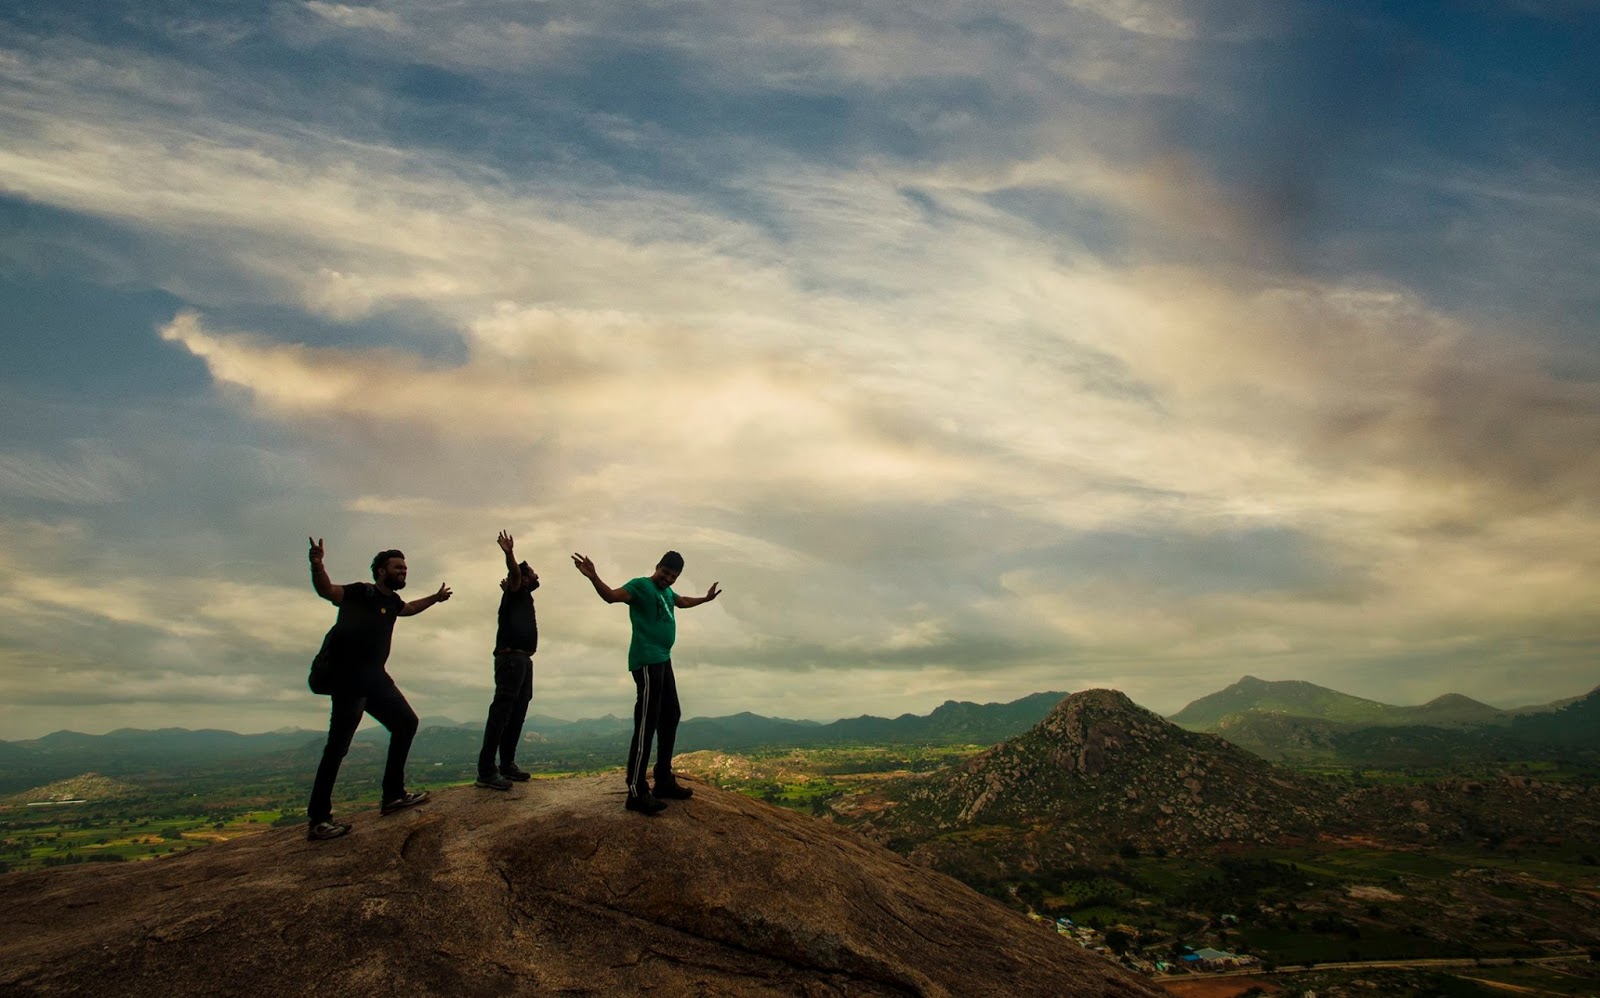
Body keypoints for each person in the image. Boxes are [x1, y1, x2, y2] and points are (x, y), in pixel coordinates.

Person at [305, 538, 452, 841]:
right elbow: (327, 591)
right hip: (349, 679)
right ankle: (319, 819)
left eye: (405, 568)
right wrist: (318, 565)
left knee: (406, 723)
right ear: (381, 571)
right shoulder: (361, 593)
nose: (404, 572)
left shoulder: (392, 602)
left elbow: (409, 608)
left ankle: (393, 795)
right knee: (337, 748)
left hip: (375, 678)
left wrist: (435, 599)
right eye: (398, 567)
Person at [571, 550, 720, 815]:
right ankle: (636, 790)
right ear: (657, 566)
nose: (668, 580)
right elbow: (612, 597)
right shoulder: (640, 586)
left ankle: (663, 779)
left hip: (664, 659)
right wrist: (594, 577)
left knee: (671, 714)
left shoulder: (666, 593)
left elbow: (681, 601)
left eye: (673, 577)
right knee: (647, 723)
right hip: (647, 662)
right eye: (666, 573)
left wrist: (706, 599)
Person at [476, 530, 539, 791]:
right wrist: (510, 553)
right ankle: (486, 770)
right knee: (502, 713)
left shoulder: (522, 596)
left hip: (522, 660)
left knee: (517, 712)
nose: (537, 576)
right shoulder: (516, 589)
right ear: (523, 578)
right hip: (511, 659)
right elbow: (514, 573)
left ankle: (506, 764)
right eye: (532, 573)